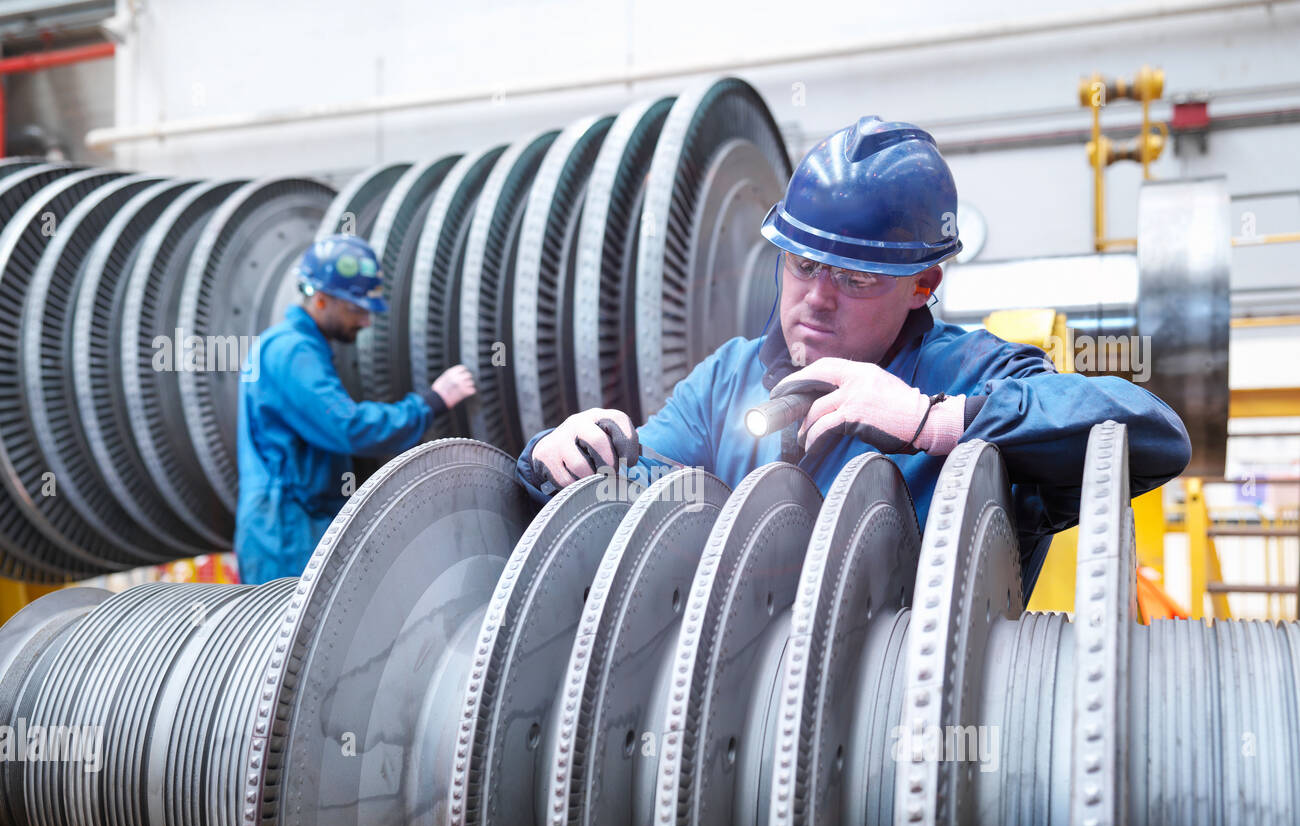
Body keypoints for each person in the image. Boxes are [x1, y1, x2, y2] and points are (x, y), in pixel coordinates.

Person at [516, 116, 1192, 596]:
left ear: (924, 284)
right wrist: (563, 456)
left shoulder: (969, 376)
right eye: (802, 264)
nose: (816, 297)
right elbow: (640, 488)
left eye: (855, 278)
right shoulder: (725, 384)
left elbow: (1155, 436)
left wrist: (934, 423)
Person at [235, 234, 476, 584]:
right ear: (319, 300)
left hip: (294, 523)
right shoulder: (292, 353)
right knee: (295, 637)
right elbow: (348, 428)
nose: (365, 321)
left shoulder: (293, 346)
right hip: (288, 535)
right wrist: (430, 403)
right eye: (356, 309)